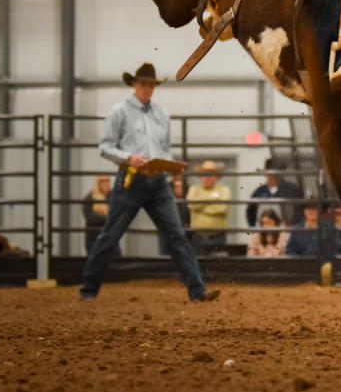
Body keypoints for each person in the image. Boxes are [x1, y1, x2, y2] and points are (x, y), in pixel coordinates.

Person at [80, 62, 217, 302]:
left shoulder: (161, 115)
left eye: (151, 85)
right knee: (110, 236)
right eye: (143, 84)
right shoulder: (118, 112)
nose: (147, 88)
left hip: (157, 182)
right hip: (130, 180)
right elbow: (105, 147)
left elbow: (164, 150)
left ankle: (197, 291)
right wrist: (129, 157)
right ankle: (88, 290)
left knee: (177, 235)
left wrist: (170, 165)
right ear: (134, 84)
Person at [186, 160, 232, 255]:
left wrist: (200, 206)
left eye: (212, 174)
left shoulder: (224, 190)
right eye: (205, 173)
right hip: (198, 237)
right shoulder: (194, 189)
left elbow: (221, 208)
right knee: (197, 265)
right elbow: (191, 204)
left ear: (217, 177)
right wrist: (213, 198)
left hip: (218, 237)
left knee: (217, 266)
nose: (208, 177)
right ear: (201, 176)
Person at [246, 157, 304, 228]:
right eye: (268, 174)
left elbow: (299, 211)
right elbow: (250, 210)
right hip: (264, 232)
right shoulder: (259, 191)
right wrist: (254, 228)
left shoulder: (293, 190)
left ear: (281, 175)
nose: (270, 177)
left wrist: (293, 228)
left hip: (286, 231)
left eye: (274, 175)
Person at [81, 175, 117, 256]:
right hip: (93, 236)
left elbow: (117, 215)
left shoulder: (113, 196)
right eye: (102, 182)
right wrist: (107, 218)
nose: (106, 184)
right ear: (97, 184)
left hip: (110, 236)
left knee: (116, 260)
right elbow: (90, 218)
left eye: (107, 181)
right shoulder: (90, 198)